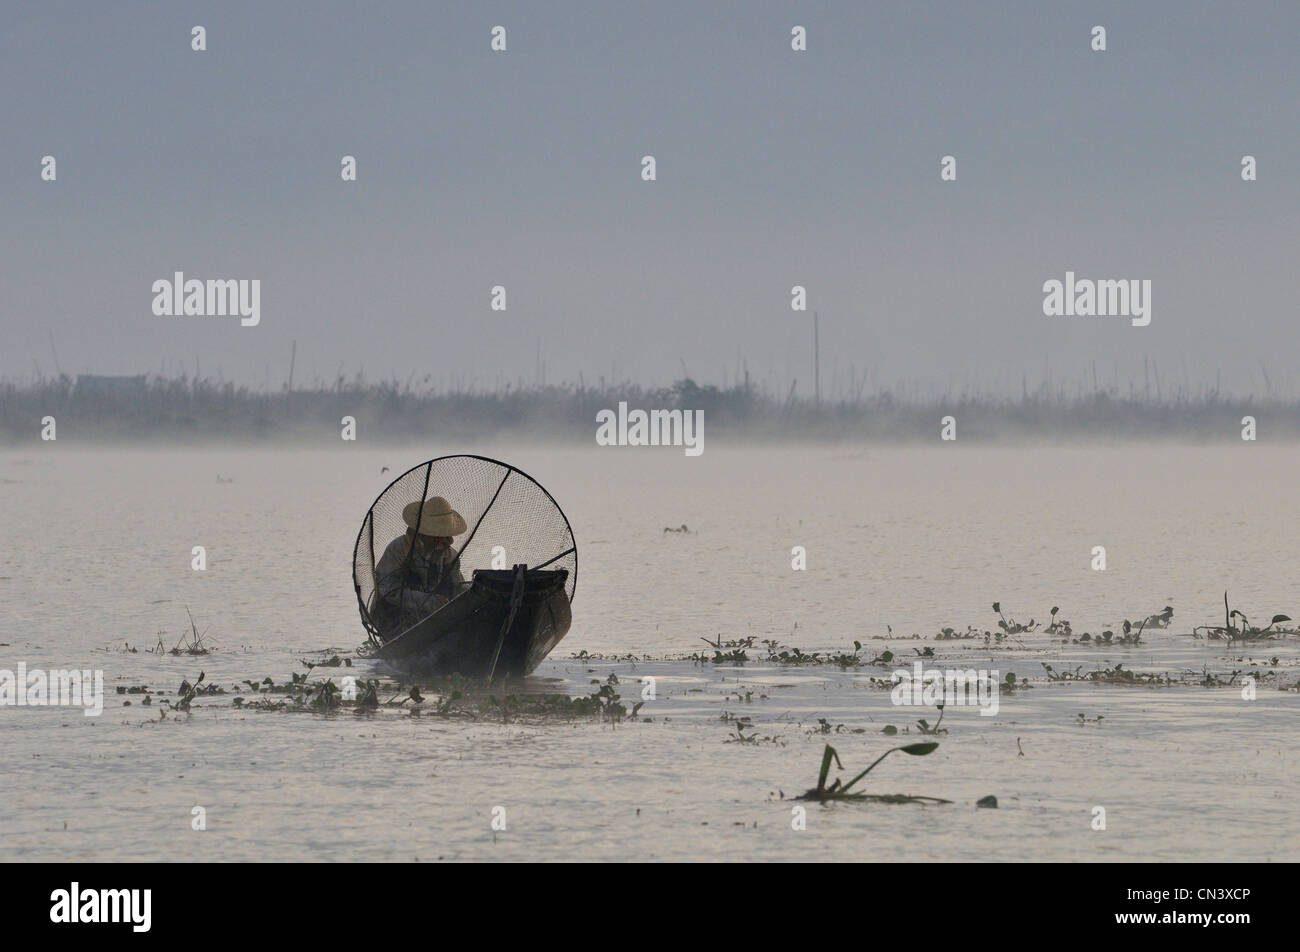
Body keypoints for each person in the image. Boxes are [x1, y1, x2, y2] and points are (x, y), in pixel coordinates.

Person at [373, 496, 468, 634]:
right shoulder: (398, 550)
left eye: (448, 534)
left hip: (431, 620)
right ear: (426, 533)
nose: (448, 540)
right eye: (441, 534)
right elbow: (388, 590)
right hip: (392, 618)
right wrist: (429, 601)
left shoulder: (450, 556)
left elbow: (457, 587)